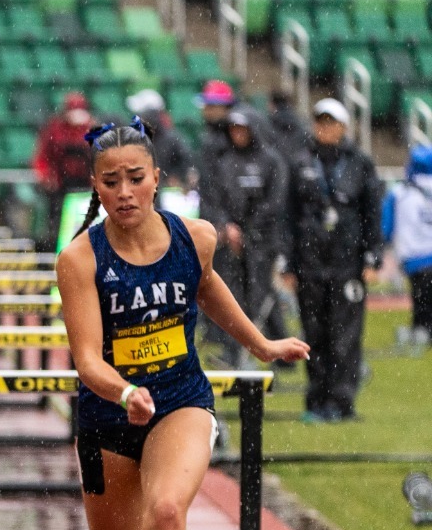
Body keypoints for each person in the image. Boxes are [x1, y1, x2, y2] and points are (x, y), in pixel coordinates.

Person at [56, 117, 307, 530]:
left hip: (179, 400)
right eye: (111, 182)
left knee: (167, 512)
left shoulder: (194, 237)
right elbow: (86, 358)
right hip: (109, 413)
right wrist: (123, 393)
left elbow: (207, 288)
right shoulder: (80, 260)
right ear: (96, 185)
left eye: (135, 179)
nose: (124, 193)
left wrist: (262, 345)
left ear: (156, 179)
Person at [286, 98, 383, 422]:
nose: (324, 128)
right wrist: (288, 262)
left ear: (343, 126)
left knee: (345, 336)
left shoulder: (360, 163)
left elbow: (372, 212)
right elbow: (289, 215)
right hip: (310, 263)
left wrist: (373, 257)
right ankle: (316, 400)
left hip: (348, 263)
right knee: (313, 334)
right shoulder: (300, 162)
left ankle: (342, 403)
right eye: (319, 121)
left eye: (331, 122)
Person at [198, 108, 289, 361]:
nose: (237, 134)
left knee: (260, 295)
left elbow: (276, 201)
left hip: (262, 241)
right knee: (231, 295)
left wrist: (251, 228)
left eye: (242, 129)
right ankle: (235, 350)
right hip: (231, 242)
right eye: (233, 129)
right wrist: (226, 226)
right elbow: (212, 199)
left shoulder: (271, 161)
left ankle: (265, 350)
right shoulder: (223, 162)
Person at [32, 92, 96, 250]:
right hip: (59, 187)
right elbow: (42, 158)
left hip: (86, 188)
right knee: (56, 225)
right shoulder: (55, 130)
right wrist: (46, 177)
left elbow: (102, 159)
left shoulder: (92, 130)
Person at [383, 144, 432, 349]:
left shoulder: (399, 192)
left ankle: (421, 331)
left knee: (420, 299)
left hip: (414, 257)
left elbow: (385, 226)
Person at [125, 90, 194, 190]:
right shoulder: (134, 139)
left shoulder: (171, 140)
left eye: (140, 115)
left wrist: (177, 177)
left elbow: (186, 164)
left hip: (168, 195)